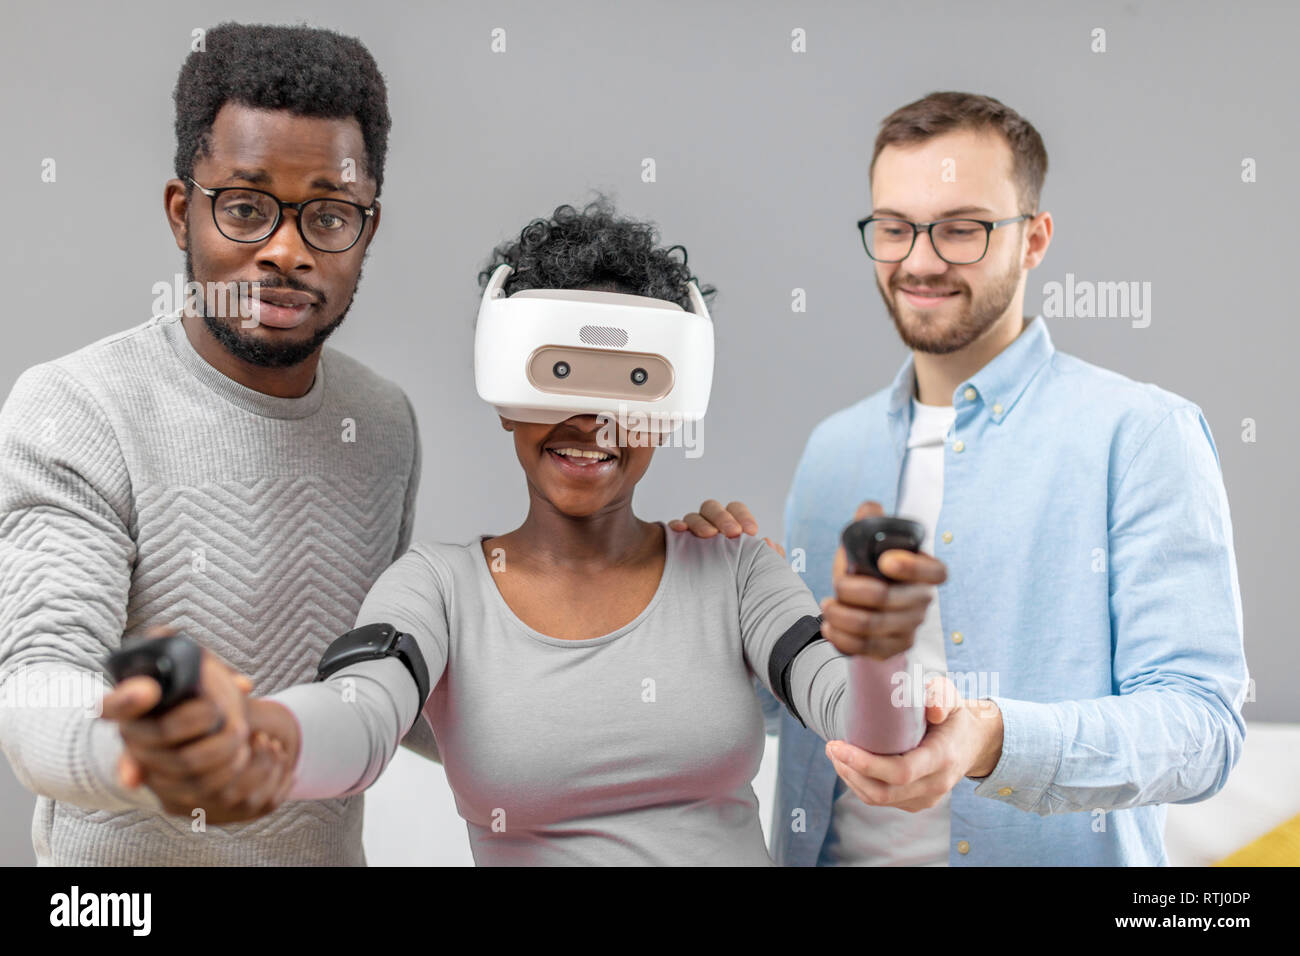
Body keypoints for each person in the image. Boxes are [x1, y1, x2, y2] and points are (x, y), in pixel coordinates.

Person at [115, 200, 948, 865]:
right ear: (505, 387)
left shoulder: (735, 570)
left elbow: (872, 737)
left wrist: (882, 648)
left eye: (629, 383)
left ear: (671, 405)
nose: (591, 420)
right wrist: (257, 738)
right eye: (556, 377)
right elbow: (359, 720)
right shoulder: (437, 589)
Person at [675, 91, 1249, 866]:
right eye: (894, 228)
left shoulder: (1141, 434)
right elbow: (809, 711)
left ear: (1035, 239)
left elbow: (1203, 731)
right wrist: (719, 612)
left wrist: (992, 741)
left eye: (961, 229)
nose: (919, 260)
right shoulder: (833, 451)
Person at [0, 22, 419, 865]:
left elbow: (387, 687)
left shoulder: (383, 422)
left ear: (368, 230)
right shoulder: (76, 406)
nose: (285, 251)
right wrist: (145, 753)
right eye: (245, 206)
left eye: (329, 215)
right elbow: (41, 677)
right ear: (181, 211)